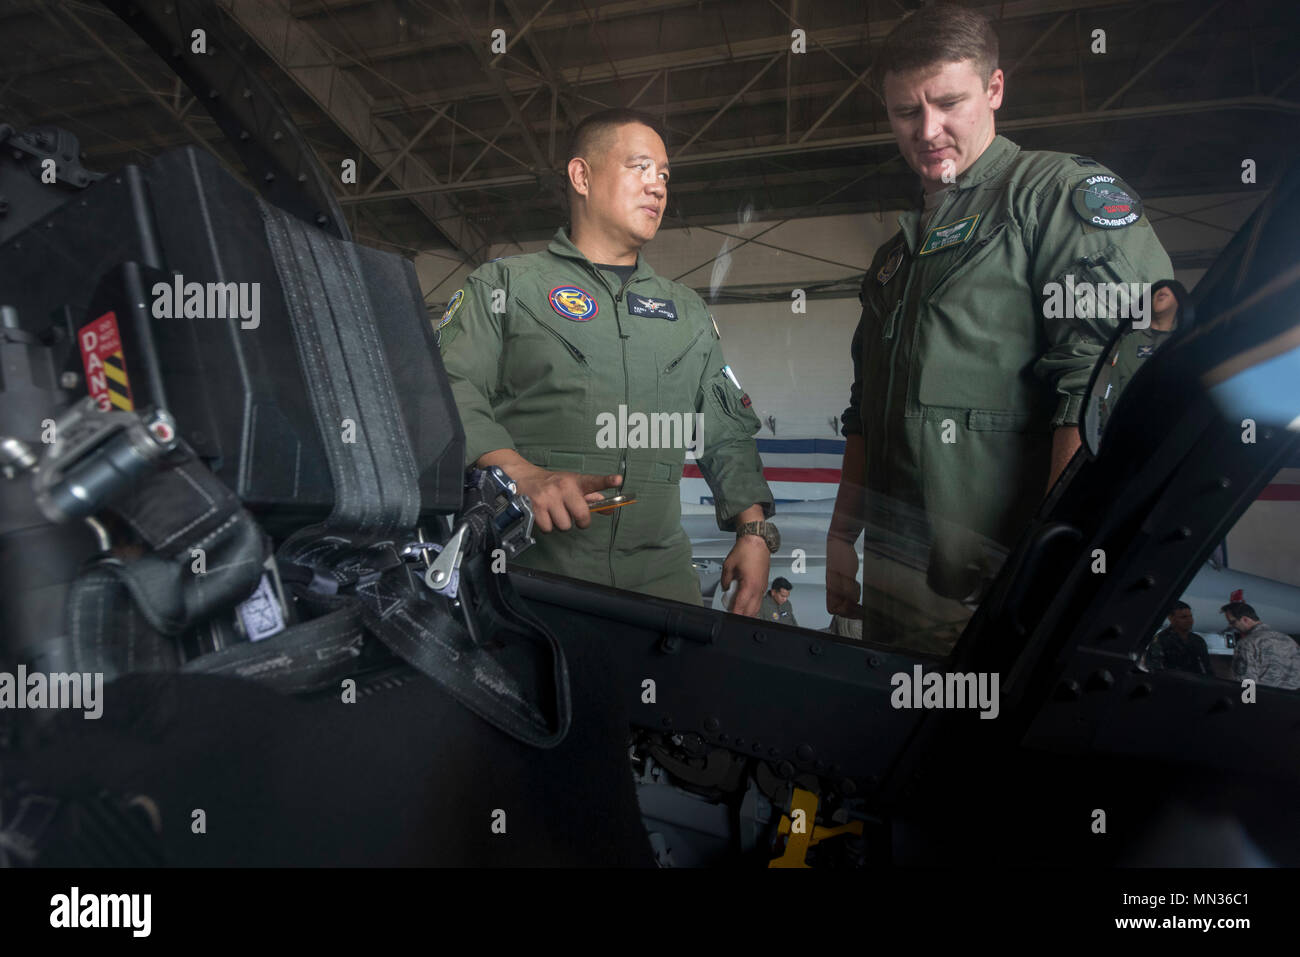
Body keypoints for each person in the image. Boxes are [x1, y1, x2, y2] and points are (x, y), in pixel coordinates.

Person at [826, 5, 1173, 643]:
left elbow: (1104, 380)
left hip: (1004, 591)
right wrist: (843, 535)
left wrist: (1054, 562)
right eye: (906, 111)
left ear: (994, 89)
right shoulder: (894, 259)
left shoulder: (1053, 197)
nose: (927, 130)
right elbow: (864, 414)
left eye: (949, 102)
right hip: (898, 585)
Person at [437, 109, 777, 614]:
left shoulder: (685, 311)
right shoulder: (505, 287)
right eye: (640, 167)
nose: (657, 186)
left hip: (662, 583)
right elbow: (449, 386)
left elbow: (724, 429)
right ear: (582, 176)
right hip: (532, 576)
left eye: (664, 175)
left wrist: (753, 532)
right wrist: (520, 474)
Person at [1107, 278, 1189, 401]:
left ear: (1179, 302)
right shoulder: (1130, 341)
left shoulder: (1186, 342)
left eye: (1170, 290)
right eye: (1157, 290)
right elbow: (1113, 388)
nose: (1162, 289)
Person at [1222, 600, 1300, 690]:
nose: (1231, 626)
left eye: (1233, 622)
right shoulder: (1288, 640)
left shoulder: (1247, 644)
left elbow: (1245, 684)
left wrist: (1246, 703)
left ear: (1245, 619)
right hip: (1293, 701)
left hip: (1265, 701)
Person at [1145, 601, 1212, 675]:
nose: (1190, 620)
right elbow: (1155, 670)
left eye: (1190, 616)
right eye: (1184, 617)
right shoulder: (1161, 640)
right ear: (1171, 618)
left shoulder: (1198, 640)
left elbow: (1207, 669)